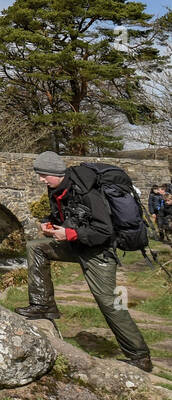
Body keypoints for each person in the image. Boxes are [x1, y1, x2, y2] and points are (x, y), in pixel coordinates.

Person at [17, 152, 152, 372]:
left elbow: (104, 231)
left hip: (99, 251)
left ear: (56, 173)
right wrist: (50, 224)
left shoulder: (87, 192)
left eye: (43, 175)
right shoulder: (57, 189)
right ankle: (43, 305)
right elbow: (67, 218)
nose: (41, 180)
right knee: (36, 247)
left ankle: (139, 356)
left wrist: (70, 234)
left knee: (108, 302)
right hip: (78, 244)